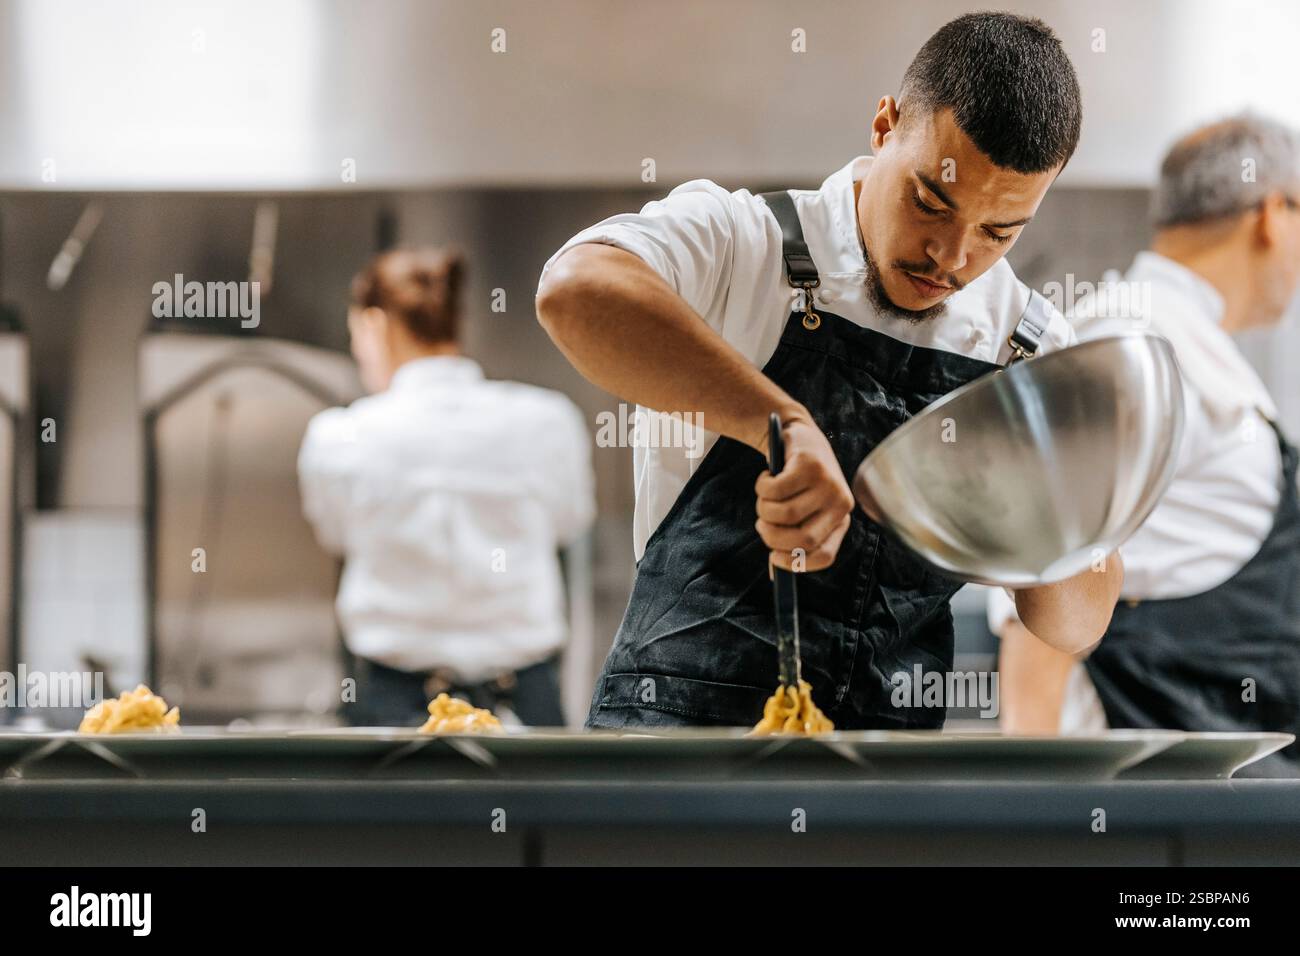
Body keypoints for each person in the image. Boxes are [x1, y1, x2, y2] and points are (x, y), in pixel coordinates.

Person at [536, 12, 1124, 730]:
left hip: (882, 785)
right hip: (675, 757)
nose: (951, 255)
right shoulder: (744, 242)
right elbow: (575, 291)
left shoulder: (1031, 350)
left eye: (998, 233)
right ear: (885, 125)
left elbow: (1078, 624)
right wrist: (778, 422)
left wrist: (1038, 522)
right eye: (929, 201)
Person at [990, 115, 1300, 769]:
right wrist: (1035, 816)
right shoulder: (1133, 339)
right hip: (1141, 799)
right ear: (1272, 213)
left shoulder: (1182, 340)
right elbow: (1046, 576)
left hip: (1219, 793)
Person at [299, 247, 595, 727]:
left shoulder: (338, 436)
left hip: (393, 710)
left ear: (373, 325)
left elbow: (335, 536)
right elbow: (569, 525)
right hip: (524, 707)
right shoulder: (549, 420)